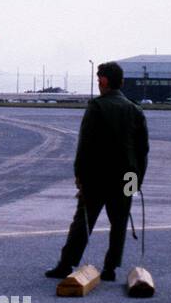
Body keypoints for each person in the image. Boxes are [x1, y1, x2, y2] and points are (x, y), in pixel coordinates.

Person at [46, 61, 149, 281]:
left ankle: (66, 264)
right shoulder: (135, 109)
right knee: (119, 222)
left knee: (83, 221)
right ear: (120, 82)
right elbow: (142, 151)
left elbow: (85, 145)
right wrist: (136, 182)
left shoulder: (97, 107)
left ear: (103, 81)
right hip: (127, 176)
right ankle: (110, 268)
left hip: (97, 177)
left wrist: (80, 176)